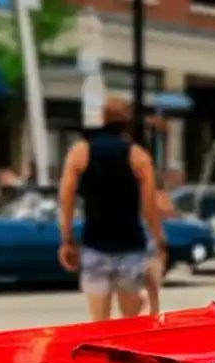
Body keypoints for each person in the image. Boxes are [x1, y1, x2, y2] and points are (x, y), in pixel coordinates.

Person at [57, 98, 167, 322]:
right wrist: (158, 239)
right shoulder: (138, 156)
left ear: (101, 119)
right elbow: (149, 207)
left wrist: (67, 239)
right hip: (130, 246)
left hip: (94, 244)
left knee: (98, 322)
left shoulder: (80, 152)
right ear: (127, 123)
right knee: (130, 323)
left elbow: (65, 199)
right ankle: (140, 305)